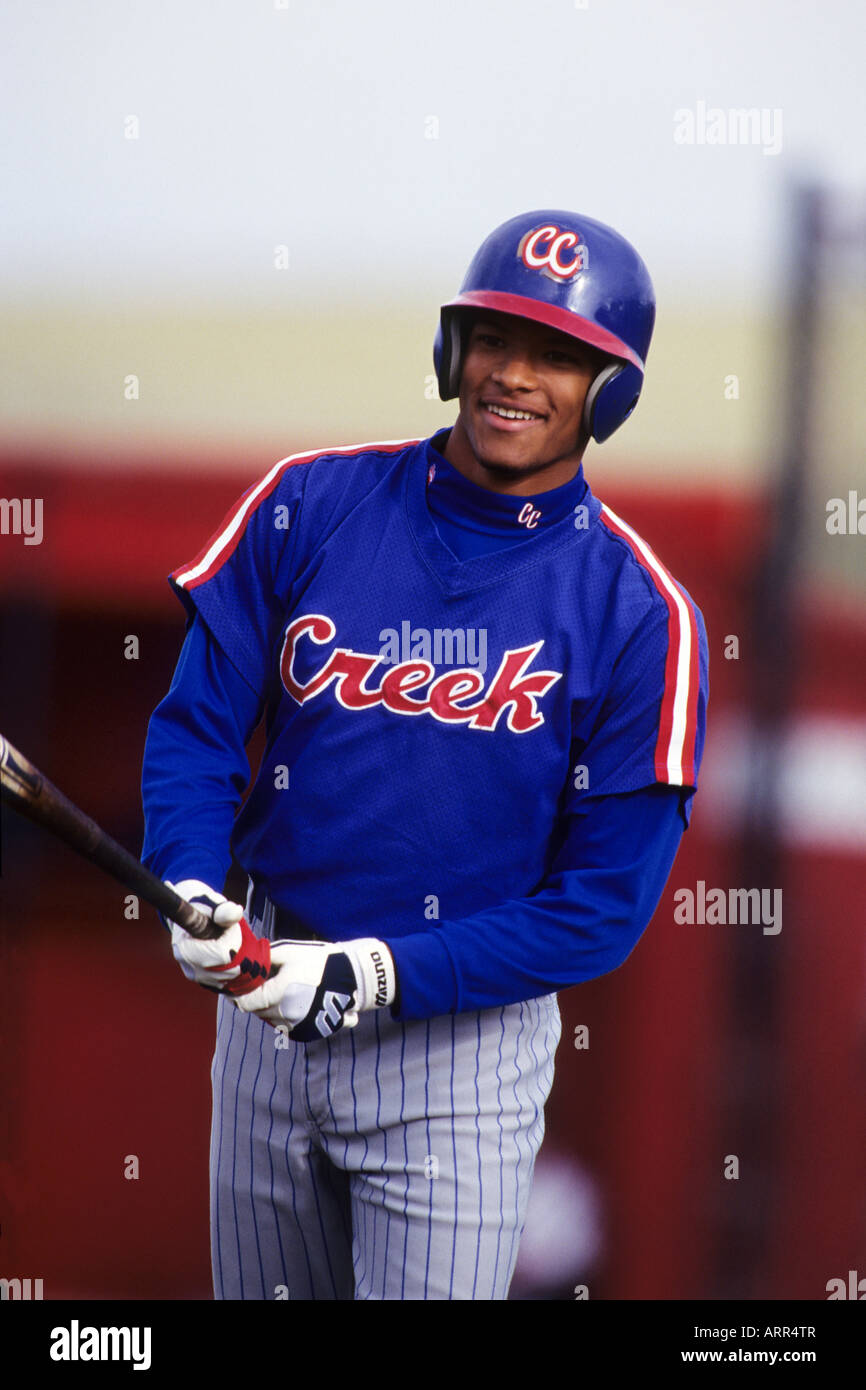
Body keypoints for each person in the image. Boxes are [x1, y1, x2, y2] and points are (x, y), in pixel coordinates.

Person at [141, 208, 709, 1301]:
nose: (513, 376)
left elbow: (598, 908)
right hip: (265, 1006)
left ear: (610, 393)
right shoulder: (310, 503)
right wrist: (190, 880)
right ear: (451, 350)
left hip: (456, 1054)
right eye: (494, 339)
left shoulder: (640, 613)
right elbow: (197, 726)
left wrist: (371, 974)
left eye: (557, 356)